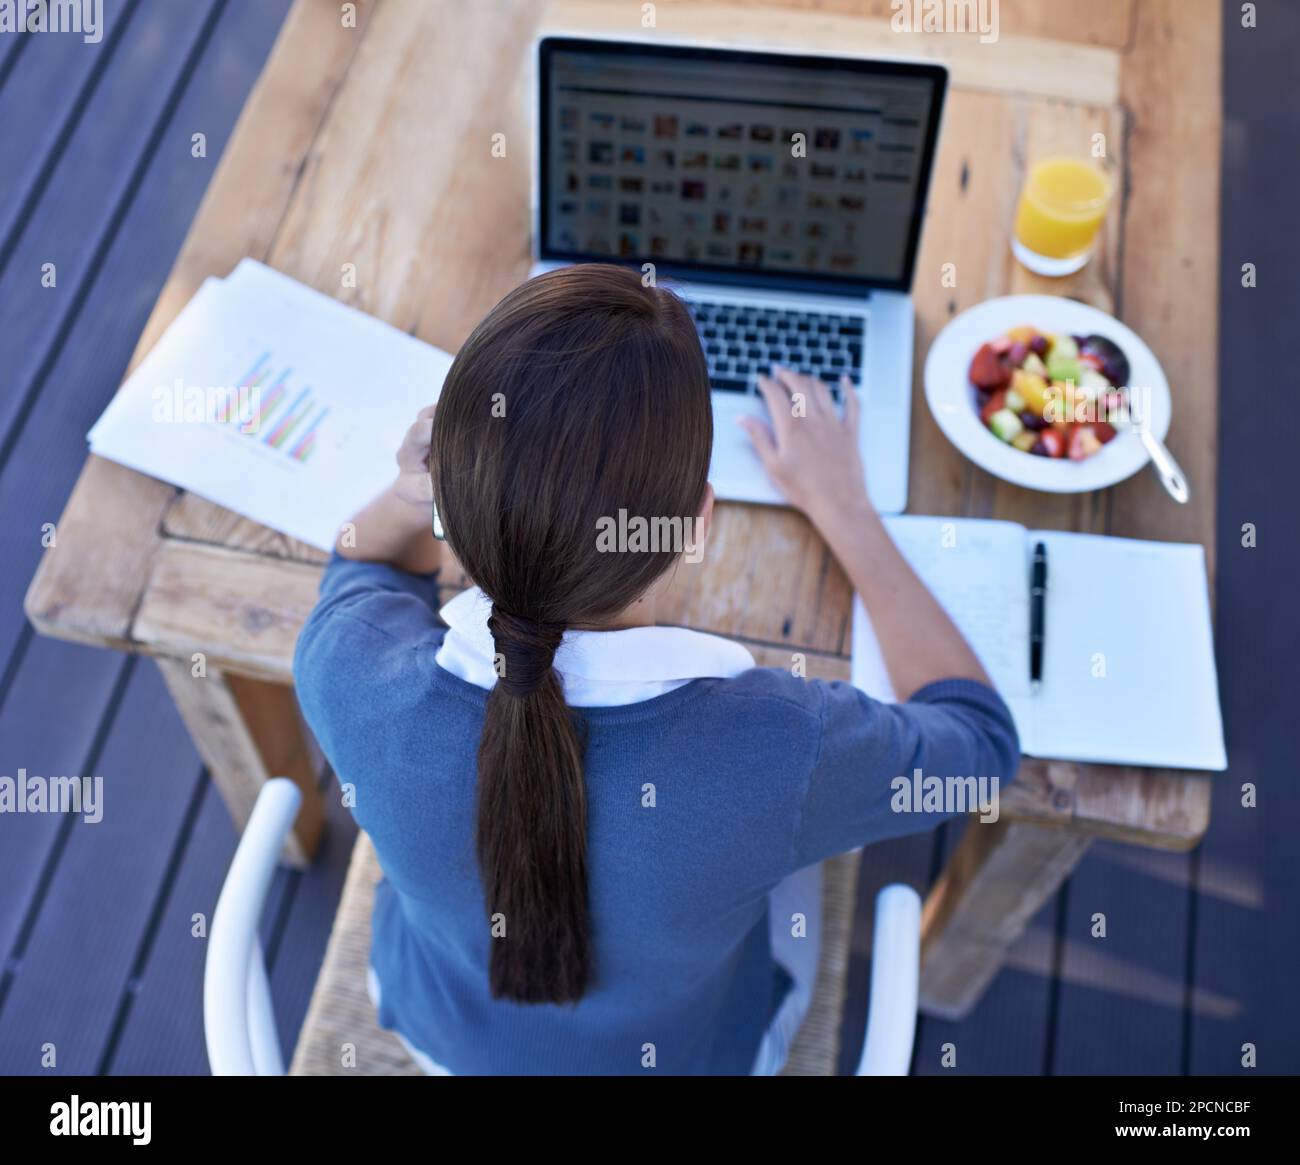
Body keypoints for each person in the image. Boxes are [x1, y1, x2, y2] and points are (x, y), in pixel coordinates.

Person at [293, 263, 1018, 1075]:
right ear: (697, 523)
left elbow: (362, 567)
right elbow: (980, 748)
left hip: (445, 1037)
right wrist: (847, 508)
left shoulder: (348, 671)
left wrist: (414, 495)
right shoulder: (783, 748)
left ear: (446, 503)